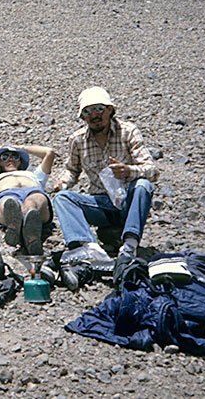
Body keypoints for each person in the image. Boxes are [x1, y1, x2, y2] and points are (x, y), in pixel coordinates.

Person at [51, 86, 158, 281]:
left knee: (143, 185)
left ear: (110, 110)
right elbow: (72, 170)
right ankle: (88, 248)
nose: (93, 115)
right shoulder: (77, 140)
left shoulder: (128, 131)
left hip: (128, 201)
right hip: (101, 204)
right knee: (62, 198)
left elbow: (152, 170)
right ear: (82, 117)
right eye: (87, 112)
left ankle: (129, 245)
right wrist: (63, 182)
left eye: (99, 109)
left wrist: (128, 171)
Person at [0, 144, 56, 256]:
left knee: (32, 202)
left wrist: (21, 147)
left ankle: (23, 229)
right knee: (10, 203)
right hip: (6, 194)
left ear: (20, 162)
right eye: (4, 157)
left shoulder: (33, 175)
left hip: (32, 192)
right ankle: (26, 232)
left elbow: (49, 153)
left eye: (15, 156)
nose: (10, 159)